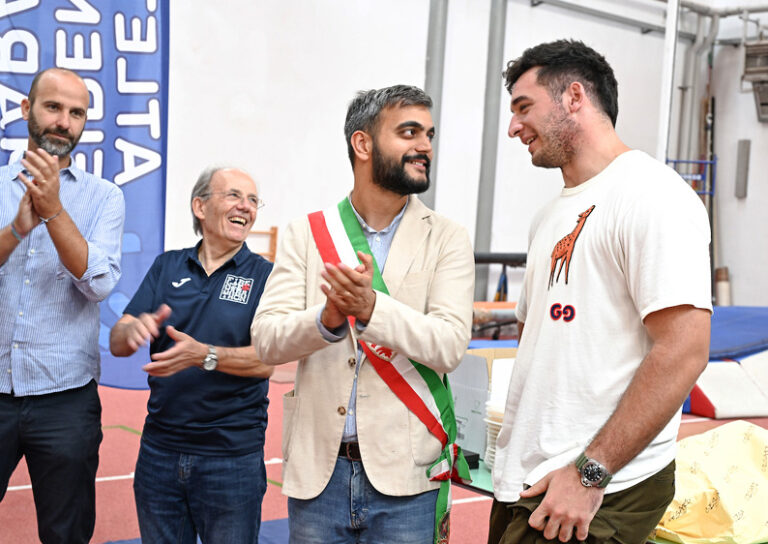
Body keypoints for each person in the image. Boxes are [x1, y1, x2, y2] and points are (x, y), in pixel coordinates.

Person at [489, 40, 713, 544]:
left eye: (524, 107)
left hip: (597, 486)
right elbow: (536, 340)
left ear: (574, 97)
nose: (513, 127)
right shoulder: (548, 216)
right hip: (528, 478)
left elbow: (684, 350)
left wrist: (590, 473)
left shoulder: (653, 195)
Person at [251, 85, 475, 544]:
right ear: (363, 144)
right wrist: (327, 319)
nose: (425, 146)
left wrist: (372, 308)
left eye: (429, 134)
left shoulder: (447, 238)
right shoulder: (306, 233)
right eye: (409, 132)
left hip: (409, 476)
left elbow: (450, 345)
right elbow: (266, 340)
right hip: (320, 472)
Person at [109, 166, 274, 543]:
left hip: (232, 459)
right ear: (200, 206)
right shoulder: (167, 265)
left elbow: (268, 360)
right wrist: (130, 330)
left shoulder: (266, 276)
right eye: (234, 195)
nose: (246, 207)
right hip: (159, 452)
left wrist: (205, 355)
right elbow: (118, 342)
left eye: (253, 200)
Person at [0, 68, 125, 543]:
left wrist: (53, 211)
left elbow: (99, 285)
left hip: (66, 398)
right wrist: (17, 229)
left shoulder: (104, 197)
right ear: (25, 109)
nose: (64, 121)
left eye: (76, 113)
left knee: (66, 533)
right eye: (53, 107)